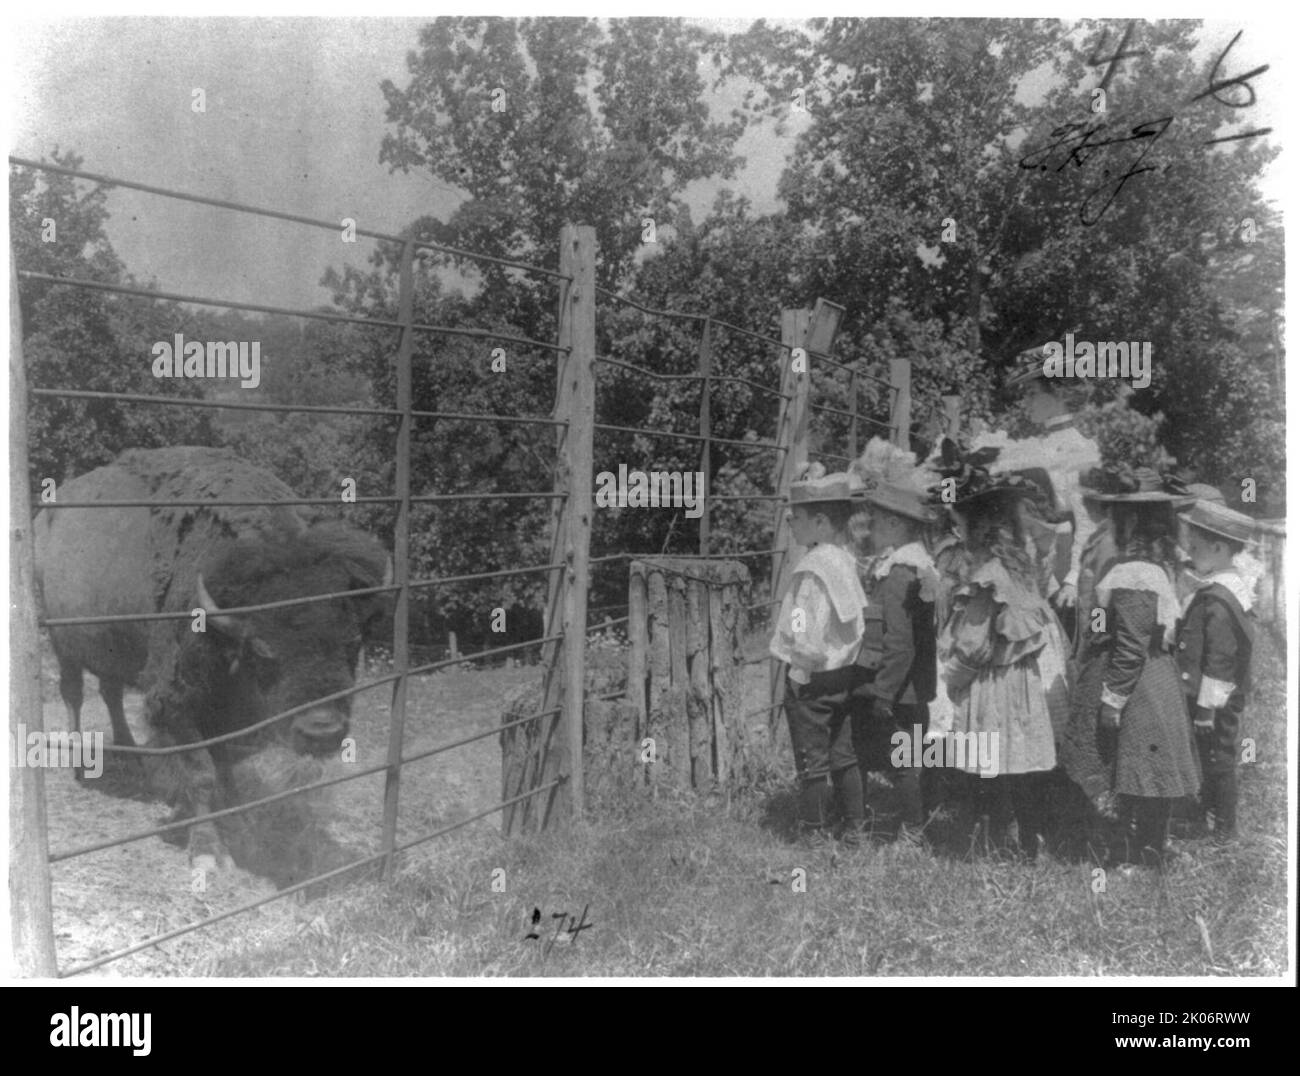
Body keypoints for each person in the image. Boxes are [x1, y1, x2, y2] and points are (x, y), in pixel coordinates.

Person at [933, 443, 1072, 858]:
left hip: (994, 685)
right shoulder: (1019, 566)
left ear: (972, 528)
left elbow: (975, 647)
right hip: (1025, 685)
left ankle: (991, 844)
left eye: (957, 523)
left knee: (990, 769)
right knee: (1024, 765)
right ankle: (1031, 842)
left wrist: (950, 679)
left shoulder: (985, 579)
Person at [1058, 467, 1200, 868]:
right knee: (1142, 771)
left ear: (1131, 521)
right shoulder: (1152, 569)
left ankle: (1131, 853)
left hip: (1137, 685)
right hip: (1154, 677)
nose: (1107, 526)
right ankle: (1147, 847)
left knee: (1133, 771)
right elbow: (1111, 624)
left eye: (1114, 518)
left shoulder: (1135, 574)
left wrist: (1113, 698)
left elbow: (1131, 643)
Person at [769, 466, 869, 847]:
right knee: (844, 753)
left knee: (812, 759)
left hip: (811, 677)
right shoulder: (844, 560)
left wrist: (798, 665)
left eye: (797, 518)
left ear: (822, 521)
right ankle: (856, 826)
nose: (791, 524)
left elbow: (805, 622)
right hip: (842, 673)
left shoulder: (813, 570)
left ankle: (813, 832)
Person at [849, 475, 940, 838]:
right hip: (914, 686)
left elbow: (899, 642)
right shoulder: (918, 566)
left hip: (898, 690)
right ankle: (922, 820)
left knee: (903, 762)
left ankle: (914, 830)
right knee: (913, 758)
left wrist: (883, 691)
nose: (869, 530)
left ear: (893, 524)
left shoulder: (900, 574)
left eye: (874, 521)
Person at [1176, 500, 1257, 842]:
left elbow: (1220, 661)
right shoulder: (1221, 587)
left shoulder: (1220, 599)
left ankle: (1225, 829)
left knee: (1218, 757)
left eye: (1194, 546)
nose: (1189, 551)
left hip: (1215, 699)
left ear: (1219, 547)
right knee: (1210, 756)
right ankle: (1205, 816)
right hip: (1212, 695)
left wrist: (1207, 709)